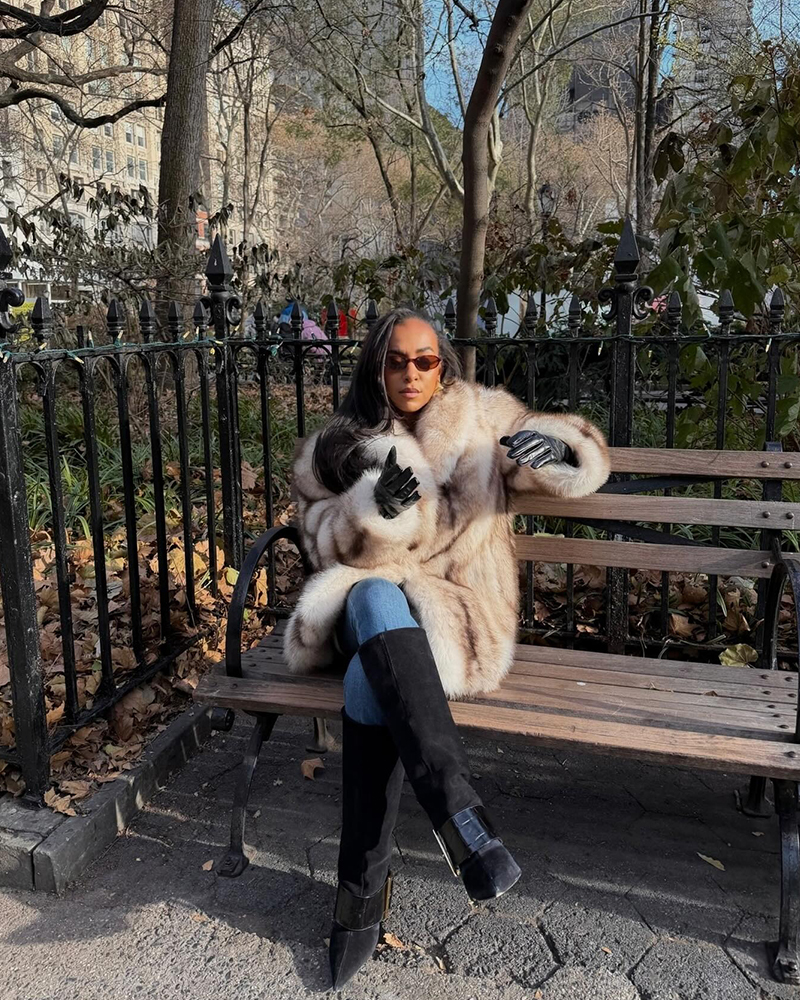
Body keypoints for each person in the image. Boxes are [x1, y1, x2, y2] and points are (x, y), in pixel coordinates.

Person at [284, 308, 610, 989]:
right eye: (397, 360)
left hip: (453, 621)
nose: (411, 373)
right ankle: (462, 822)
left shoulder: (483, 421)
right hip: (361, 607)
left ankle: (360, 894)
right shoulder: (335, 444)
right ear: (376, 364)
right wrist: (369, 507)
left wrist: (550, 450)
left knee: (366, 685)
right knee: (374, 598)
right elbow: (317, 539)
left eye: (425, 360)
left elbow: (570, 456)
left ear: (444, 364)